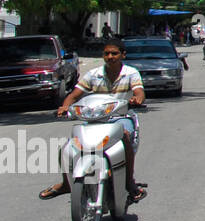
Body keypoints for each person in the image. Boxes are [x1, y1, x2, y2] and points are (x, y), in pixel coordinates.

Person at [39, 38, 147, 204]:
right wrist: (64, 107)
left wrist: (137, 99)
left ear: (123, 55)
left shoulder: (131, 73)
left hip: (121, 118)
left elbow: (139, 91)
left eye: (114, 53)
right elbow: (74, 95)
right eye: (106, 53)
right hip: (94, 120)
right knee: (69, 146)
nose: (110, 56)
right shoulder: (93, 74)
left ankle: (129, 183)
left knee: (124, 135)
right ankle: (67, 184)